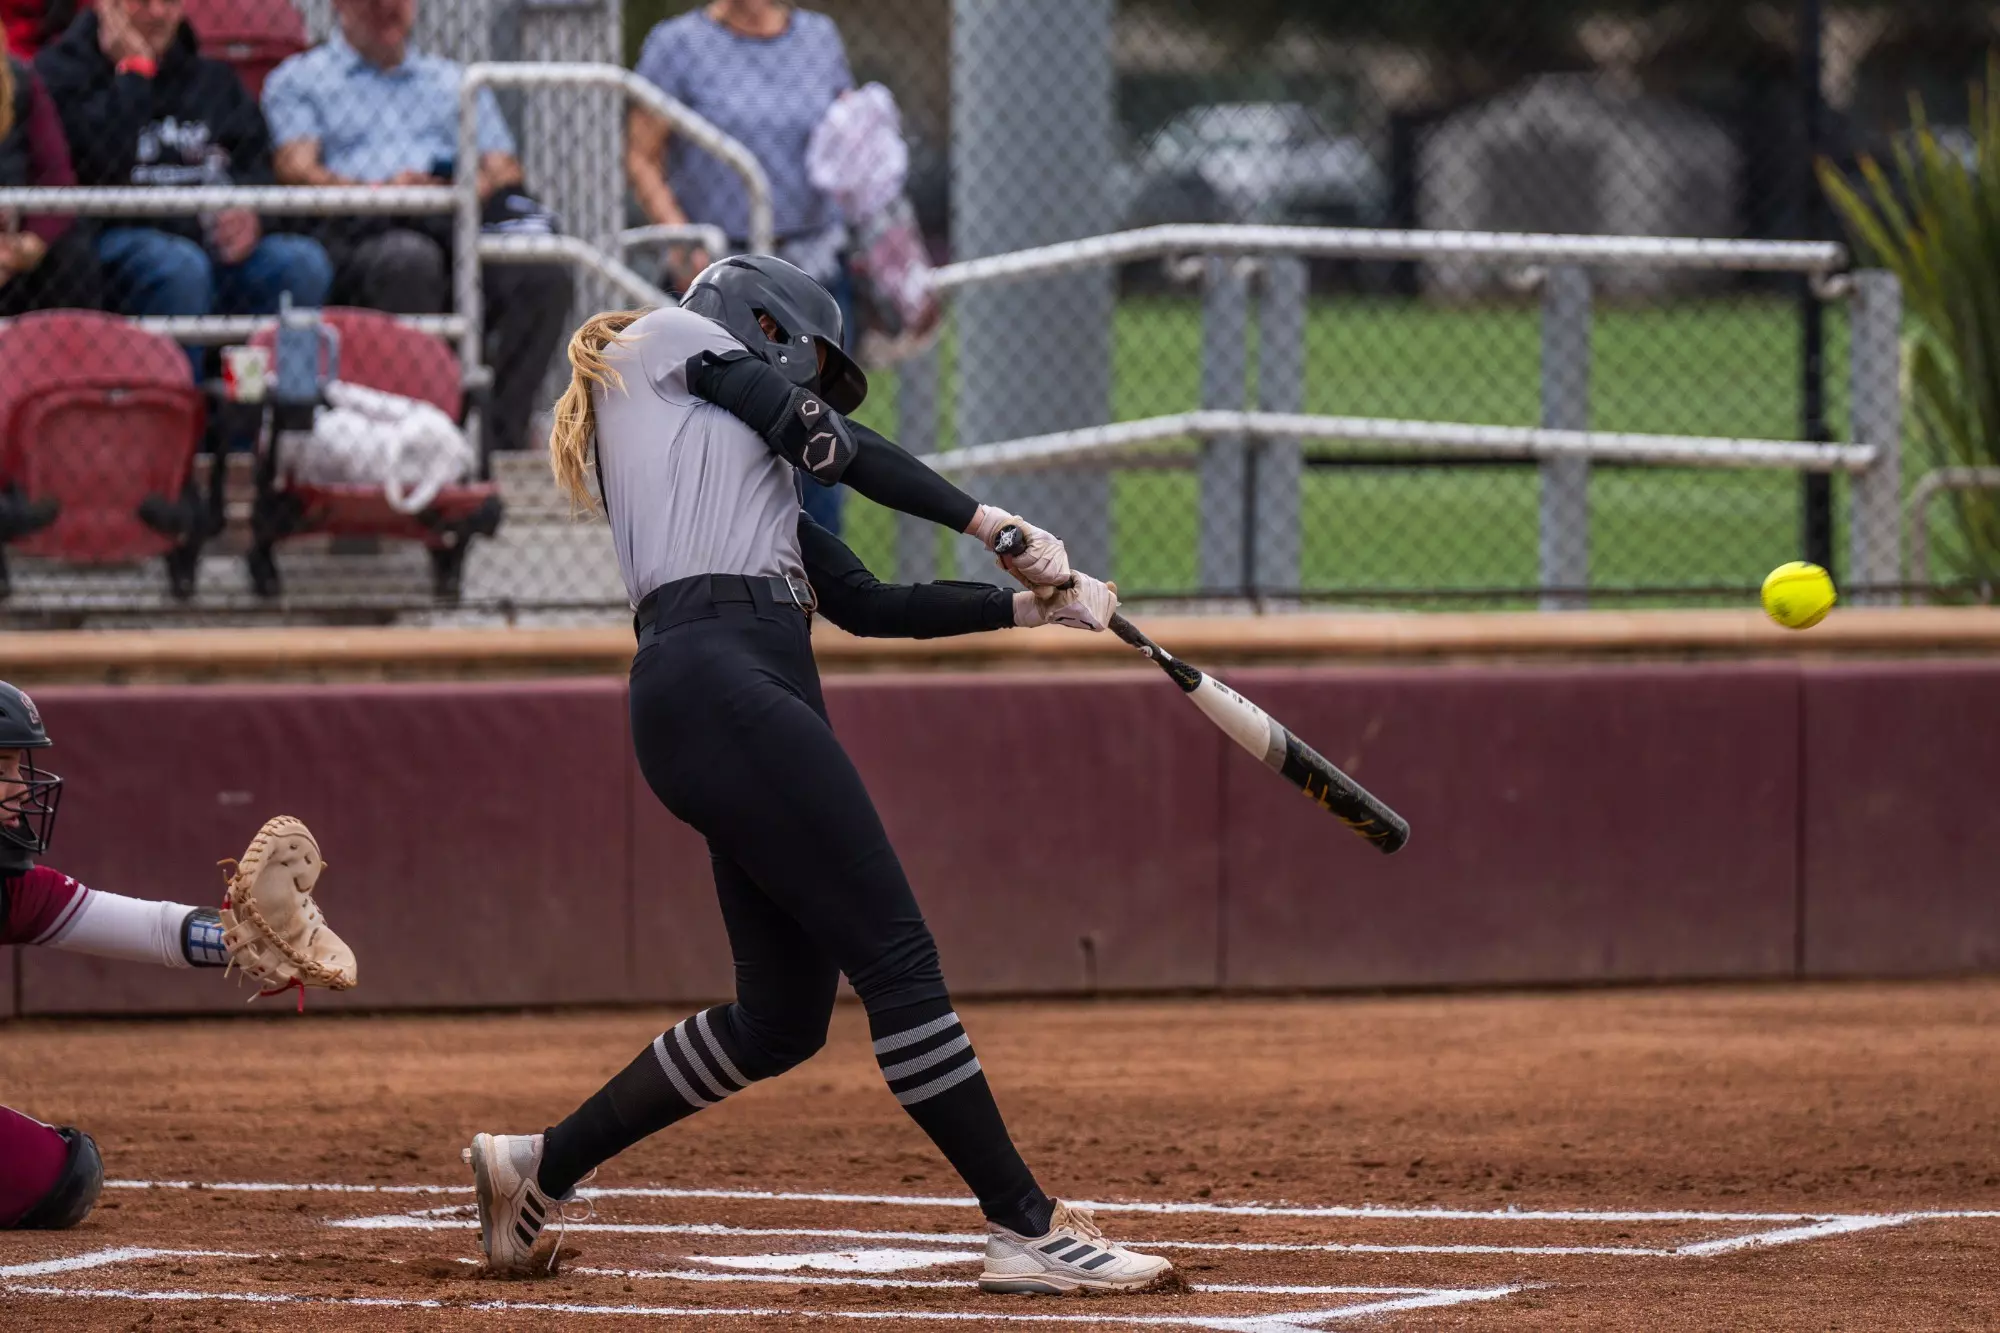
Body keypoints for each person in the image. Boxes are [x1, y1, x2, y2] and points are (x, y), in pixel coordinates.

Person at [461, 256, 1170, 1298]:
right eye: (806, 362)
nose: (810, 385)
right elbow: (828, 440)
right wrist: (996, 527)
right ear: (761, 323)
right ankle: (1023, 1225)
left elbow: (869, 604)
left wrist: (1030, 607)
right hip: (721, 680)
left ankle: (538, 1167)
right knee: (895, 955)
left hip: (727, 690)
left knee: (780, 1018)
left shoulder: (715, 457)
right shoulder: (667, 340)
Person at [0, 681, 354, 1230]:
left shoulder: (9, 890)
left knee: (60, 1174)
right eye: (3, 767)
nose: (23, 789)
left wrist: (242, 936)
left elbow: (152, 928)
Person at [262, 0, 575, 455]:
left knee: (542, 274)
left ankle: (494, 440)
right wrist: (380, 191)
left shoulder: (452, 82)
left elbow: (505, 170)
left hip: (453, 221)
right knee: (408, 264)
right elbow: (296, 169)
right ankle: (425, 441)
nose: (388, 6)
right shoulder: (301, 79)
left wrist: (453, 188)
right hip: (358, 227)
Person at [628, 0, 854, 534]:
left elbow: (848, 137)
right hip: (722, 279)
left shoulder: (819, 38)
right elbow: (641, 154)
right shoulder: (677, 45)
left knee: (819, 442)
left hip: (812, 268)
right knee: (729, 441)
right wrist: (682, 242)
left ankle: (820, 577)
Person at [33, 0, 332, 377]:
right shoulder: (59, 74)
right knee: (178, 268)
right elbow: (99, 165)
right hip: (118, 244)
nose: (158, 13)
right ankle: (177, 405)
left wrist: (253, 216)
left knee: (301, 264)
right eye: (142, 2)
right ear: (107, 6)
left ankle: (269, 405)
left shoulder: (213, 80)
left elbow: (257, 165)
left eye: (169, 1)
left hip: (214, 247)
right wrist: (135, 74)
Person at [2, 26, 103, 315]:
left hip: (12, 242)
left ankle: (74, 344)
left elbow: (56, 177)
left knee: (72, 253)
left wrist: (28, 246)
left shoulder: (20, 82)